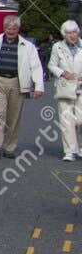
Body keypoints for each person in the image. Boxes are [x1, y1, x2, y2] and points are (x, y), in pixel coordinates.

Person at [0, 15, 44, 159]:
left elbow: (36, 67)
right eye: (8, 28)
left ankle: (9, 146)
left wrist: (39, 86)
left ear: (18, 29)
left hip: (17, 82)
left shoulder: (28, 46)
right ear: (4, 28)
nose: (11, 31)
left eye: (14, 29)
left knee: (13, 117)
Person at [49, 21, 82, 161]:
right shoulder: (57, 47)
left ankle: (80, 146)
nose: (72, 35)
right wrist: (63, 73)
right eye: (69, 33)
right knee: (67, 120)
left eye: (74, 32)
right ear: (64, 35)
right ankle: (69, 151)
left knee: (80, 120)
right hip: (65, 87)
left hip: (81, 86)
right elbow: (51, 65)